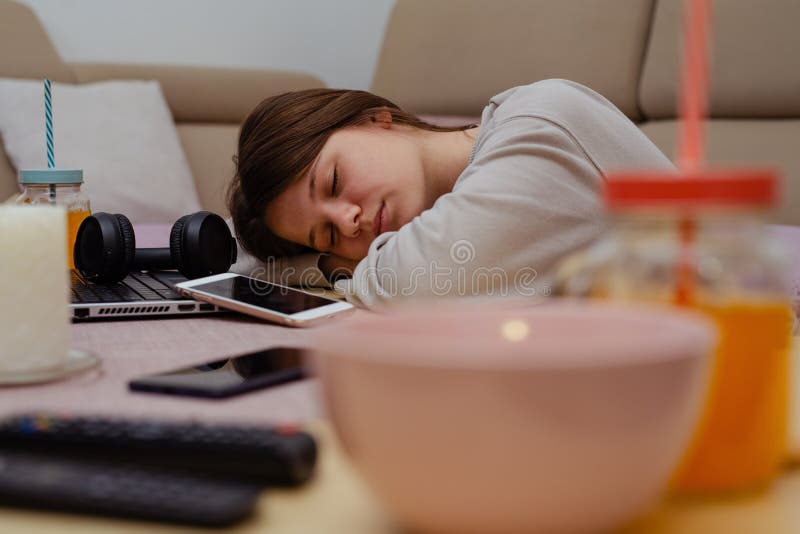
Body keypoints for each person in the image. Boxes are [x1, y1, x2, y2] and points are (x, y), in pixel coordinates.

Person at [226, 79, 675, 308]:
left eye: (333, 183)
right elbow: (241, 261)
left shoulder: (541, 123)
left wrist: (330, 265)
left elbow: (409, 285)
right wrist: (316, 264)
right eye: (326, 235)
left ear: (374, 118)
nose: (347, 222)